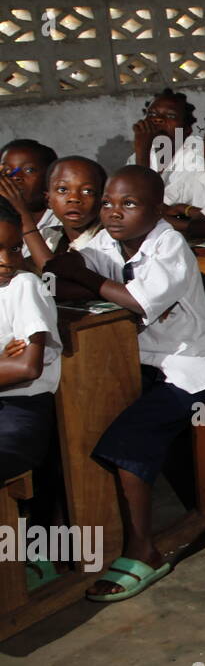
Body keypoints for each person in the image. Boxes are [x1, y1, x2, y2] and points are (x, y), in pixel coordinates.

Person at [45, 166, 205, 601]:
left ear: (157, 209)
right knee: (81, 419)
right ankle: (86, 540)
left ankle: (143, 549)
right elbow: (59, 267)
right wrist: (89, 279)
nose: (113, 213)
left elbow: (135, 299)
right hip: (140, 359)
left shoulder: (171, 247)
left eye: (128, 204)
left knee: (128, 440)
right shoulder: (107, 241)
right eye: (107, 203)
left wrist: (91, 282)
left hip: (191, 364)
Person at [0, 195, 62, 488]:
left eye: (13, 249)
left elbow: (26, 368)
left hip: (17, 415)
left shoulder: (23, 286)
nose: (6, 261)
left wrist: (7, 363)